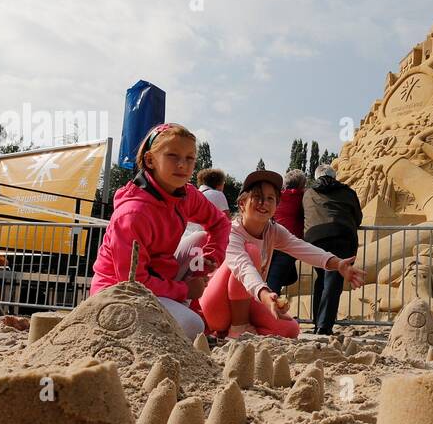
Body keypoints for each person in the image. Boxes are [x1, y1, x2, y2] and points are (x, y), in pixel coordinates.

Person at [90, 124, 230, 339]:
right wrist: (184, 289)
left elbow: (220, 222)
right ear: (150, 160)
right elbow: (132, 282)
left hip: (159, 278)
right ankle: (181, 307)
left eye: (190, 158)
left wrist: (213, 255)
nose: (183, 165)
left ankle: (186, 304)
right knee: (192, 325)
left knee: (200, 240)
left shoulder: (187, 195)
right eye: (172, 156)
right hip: (117, 293)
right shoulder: (133, 214)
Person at [198, 169, 364, 339]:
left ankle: (231, 331)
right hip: (217, 306)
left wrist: (337, 263)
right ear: (242, 203)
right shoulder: (233, 231)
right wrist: (265, 294)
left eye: (271, 198)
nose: (264, 203)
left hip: (249, 301)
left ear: (277, 205)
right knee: (250, 252)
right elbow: (243, 268)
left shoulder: (273, 231)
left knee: (290, 329)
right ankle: (238, 328)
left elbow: (302, 248)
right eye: (257, 197)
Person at [303, 164, 363, 335]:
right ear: (334, 176)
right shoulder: (348, 192)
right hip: (341, 235)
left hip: (315, 237)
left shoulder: (309, 193)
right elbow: (358, 217)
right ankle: (324, 326)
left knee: (321, 278)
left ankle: (317, 323)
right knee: (333, 281)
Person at [267, 169, 307, 294]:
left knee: (284, 276)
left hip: (271, 240)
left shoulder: (277, 196)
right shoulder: (301, 197)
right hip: (288, 243)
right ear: (302, 184)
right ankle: (269, 309)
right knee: (275, 281)